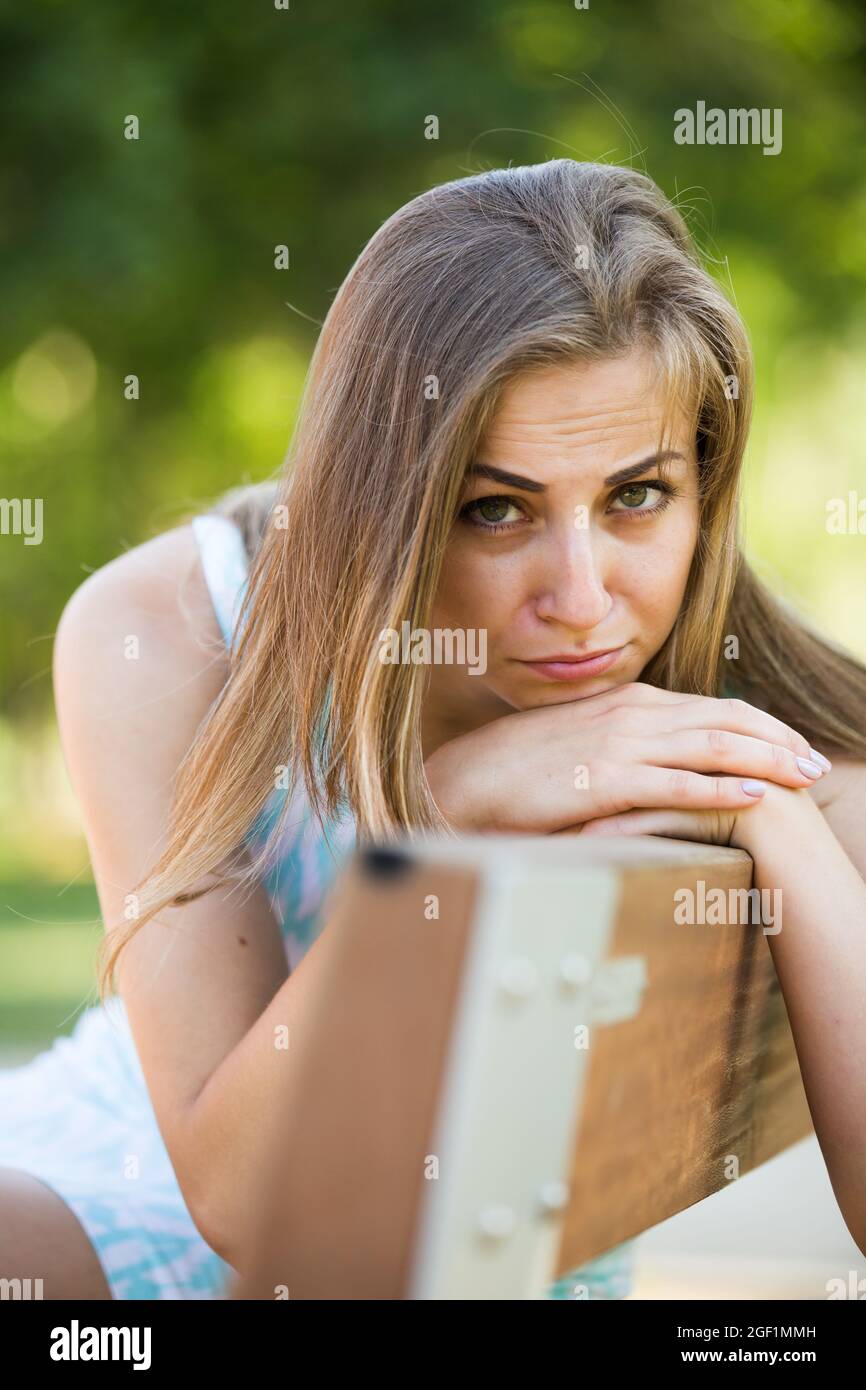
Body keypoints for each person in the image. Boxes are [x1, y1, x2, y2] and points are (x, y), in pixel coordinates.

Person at [3, 159, 866, 1300]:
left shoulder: (751, 728)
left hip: (471, 1253)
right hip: (123, 1181)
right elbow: (235, 1199)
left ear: (705, 487)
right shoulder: (168, 631)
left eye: (636, 495)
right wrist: (451, 819)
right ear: (385, 503)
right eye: (493, 509)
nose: (579, 595)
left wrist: (769, 805)